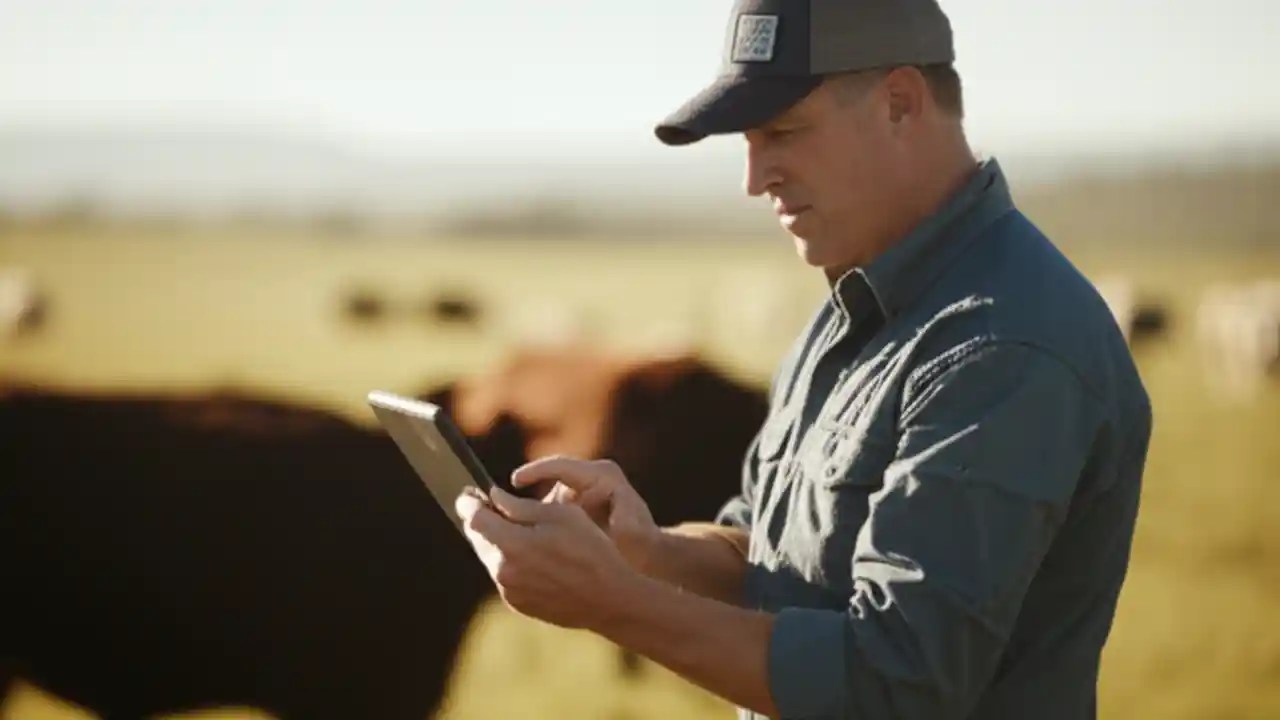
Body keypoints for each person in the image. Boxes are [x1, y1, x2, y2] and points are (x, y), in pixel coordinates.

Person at [454, 0, 1152, 717]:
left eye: (783, 132)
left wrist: (611, 601)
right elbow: (770, 561)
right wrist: (644, 549)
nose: (755, 179)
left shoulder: (1002, 345)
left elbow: (896, 681)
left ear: (901, 105)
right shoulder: (853, 310)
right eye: (748, 140)